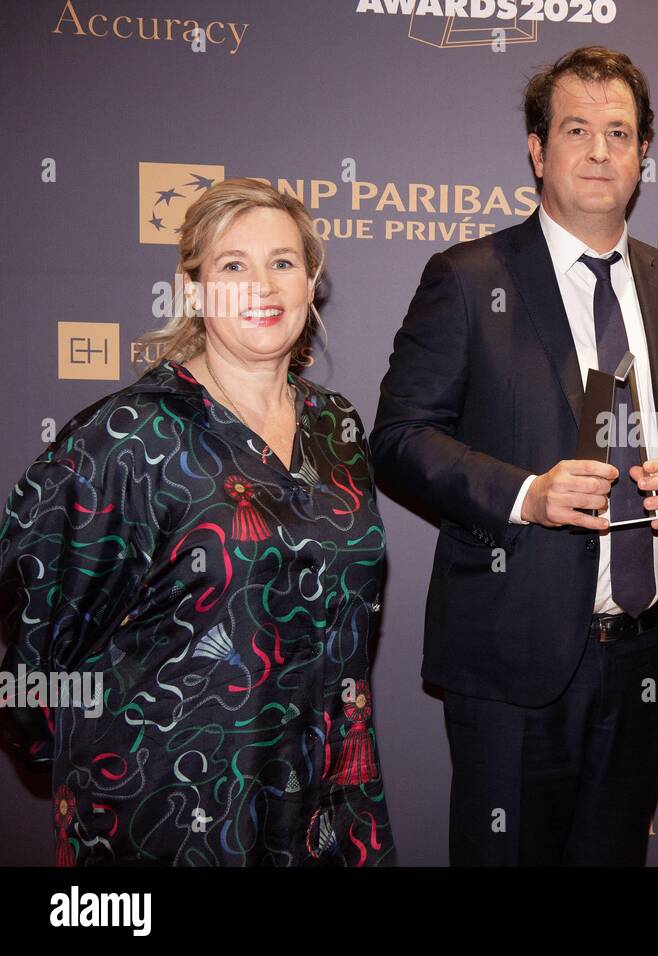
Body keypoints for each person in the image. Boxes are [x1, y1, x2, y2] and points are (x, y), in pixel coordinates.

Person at [372, 46, 658, 866]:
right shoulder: (468, 279)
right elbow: (399, 438)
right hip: (512, 654)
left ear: (645, 151)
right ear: (538, 150)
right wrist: (526, 495)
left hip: (646, 648)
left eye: (620, 132)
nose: (600, 151)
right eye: (576, 129)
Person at [0, 178, 395, 865]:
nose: (262, 285)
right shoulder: (130, 435)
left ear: (311, 282)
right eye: (233, 265)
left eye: (282, 262)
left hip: (324, 802)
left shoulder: (337, 425)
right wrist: (85, 743)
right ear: (193, 290)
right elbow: (33, 636)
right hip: (170, 811)